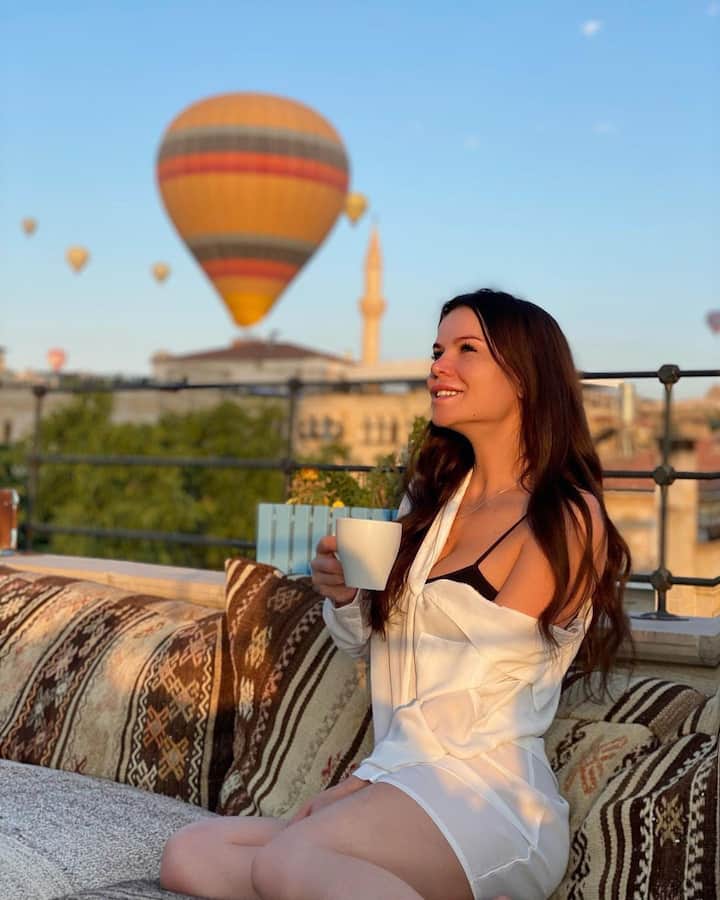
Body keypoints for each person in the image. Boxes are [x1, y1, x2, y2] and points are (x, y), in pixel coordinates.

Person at [160, 288, 633, 900]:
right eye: (438, 349)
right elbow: (374, 651)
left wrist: (361, 782)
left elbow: (481, 686)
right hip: (402, 787)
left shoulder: (565, 516)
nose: (439, 365)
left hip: (485, 798)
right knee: (192, 855)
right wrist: (348, 597)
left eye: (467, 350)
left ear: (526, 379)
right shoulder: (430, 499)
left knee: (291, 863)